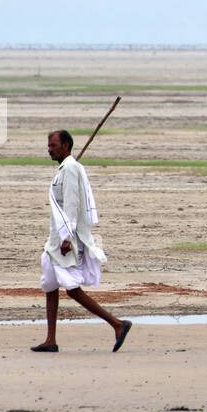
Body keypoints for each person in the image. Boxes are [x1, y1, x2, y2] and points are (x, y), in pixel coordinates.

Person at [31, 130, 132, 353]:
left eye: (53, 145)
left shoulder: (70, 169)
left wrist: (67, 237)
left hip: (65, 239)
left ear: (66, 145)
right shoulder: (66, 169)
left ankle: (117, 324)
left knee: (72, 289)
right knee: (50, 286)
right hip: (55, 239)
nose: (49, 149)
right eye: (48, 145)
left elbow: (72, 204)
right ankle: (50, 340)